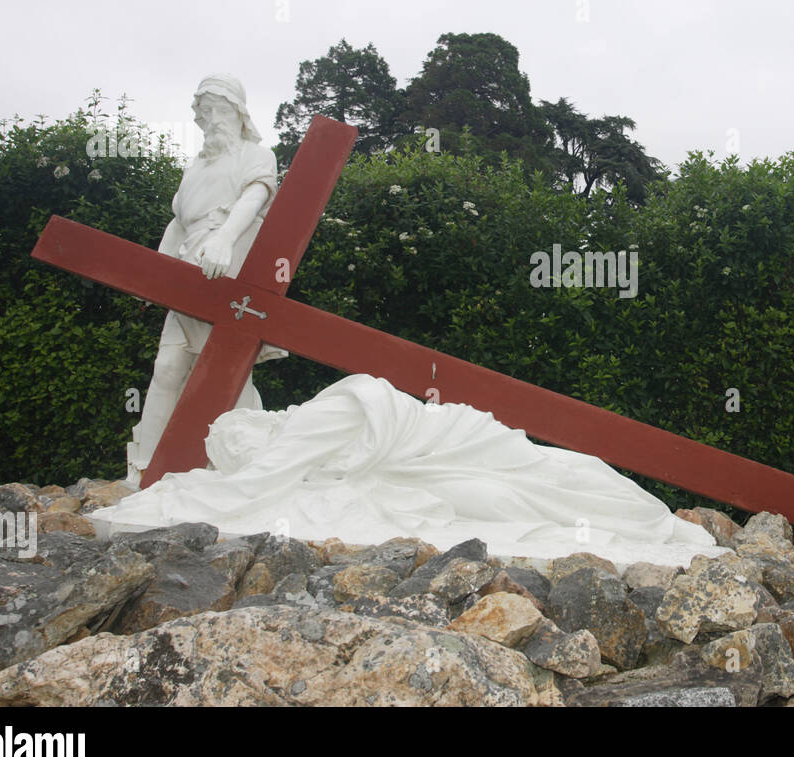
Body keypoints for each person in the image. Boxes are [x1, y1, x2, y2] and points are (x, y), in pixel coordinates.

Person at [97, 374, 722, 565]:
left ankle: (644, 521)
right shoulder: (314, 448)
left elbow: (258, 482)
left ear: (264, 428)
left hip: (458, 447)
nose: (255, 456)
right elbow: (285, 476)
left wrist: (176, 495)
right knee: (515, 506)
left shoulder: (325, 413)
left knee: (562, 479)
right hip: (436, 476)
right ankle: (637, 524)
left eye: (245, 446)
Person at [126, 74, 287, 484]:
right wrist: (154, 276)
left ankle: (244, 461)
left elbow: (253, 201)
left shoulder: (257, 155)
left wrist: (223, 242)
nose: (213, 120)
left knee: (229, 367)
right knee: (167, 368)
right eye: (206, 111)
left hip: (227, 269)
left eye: (221, 110)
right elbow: (178, 225)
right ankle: (146, 466)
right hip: (186, 274)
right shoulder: (195, 167)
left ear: (239, 113)